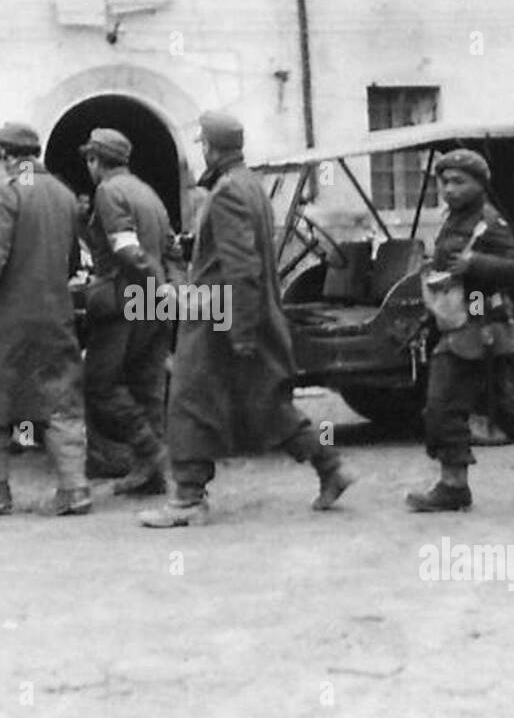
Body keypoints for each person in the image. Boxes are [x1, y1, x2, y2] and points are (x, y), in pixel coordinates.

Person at [140, 112, 355, 528]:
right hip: (239, 313)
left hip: (223, 317)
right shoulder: (250, 184)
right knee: (267, 402)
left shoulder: (227, 192)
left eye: (203, 143)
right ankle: (331, 467)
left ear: (212, 147)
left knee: (188, 401)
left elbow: (242, 267)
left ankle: (186, 500)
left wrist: (240, 332)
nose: (200, 150)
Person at [406, 149, 514, 512]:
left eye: (459, 182)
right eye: (444, 182)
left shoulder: (487, 223)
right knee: (501, 407)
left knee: (441, 405)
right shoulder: (456, 219)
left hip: (480, 327)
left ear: (480, 184)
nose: (449, 189)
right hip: (461, 324)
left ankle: (453, 485)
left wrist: (475, 263)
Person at [0, 122, 90, 517]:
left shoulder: (8, 194)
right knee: (60, 402)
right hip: (55, 317)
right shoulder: (63, 194)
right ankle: (75, 489)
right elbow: (72, 262)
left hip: (4, 323)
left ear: (7, 156)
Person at [80, 128, 181, 496]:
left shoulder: (109, 192)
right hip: (153, 303)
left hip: (123, 300)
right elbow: (170, 248)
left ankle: (151, 453)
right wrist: (170, 288)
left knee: (101, 386)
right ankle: (149, 474)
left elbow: (126, 249)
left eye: (89, 160)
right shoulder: (148, 192)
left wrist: (151, 282)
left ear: (95, 160)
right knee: (147, 386)